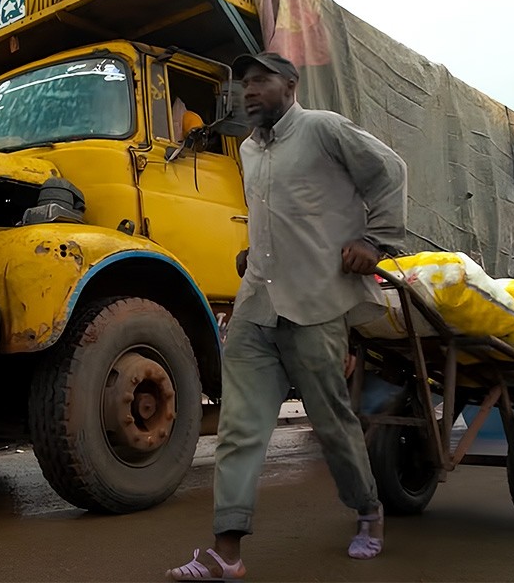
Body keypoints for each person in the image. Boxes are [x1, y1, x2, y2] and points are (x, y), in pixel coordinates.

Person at [168, 51, 408, 580]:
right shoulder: (248, 151)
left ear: (290, 84)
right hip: (258, 304)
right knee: (239, 428)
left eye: (261, 81)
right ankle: (225, 554)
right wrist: (254, 252)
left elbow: (391, 171)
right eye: (243, 84)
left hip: (316, 302)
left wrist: (375, 239)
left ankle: (368, 510)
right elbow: (279, 215)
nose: (248, 91)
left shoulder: (323, 130)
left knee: (332, 421)